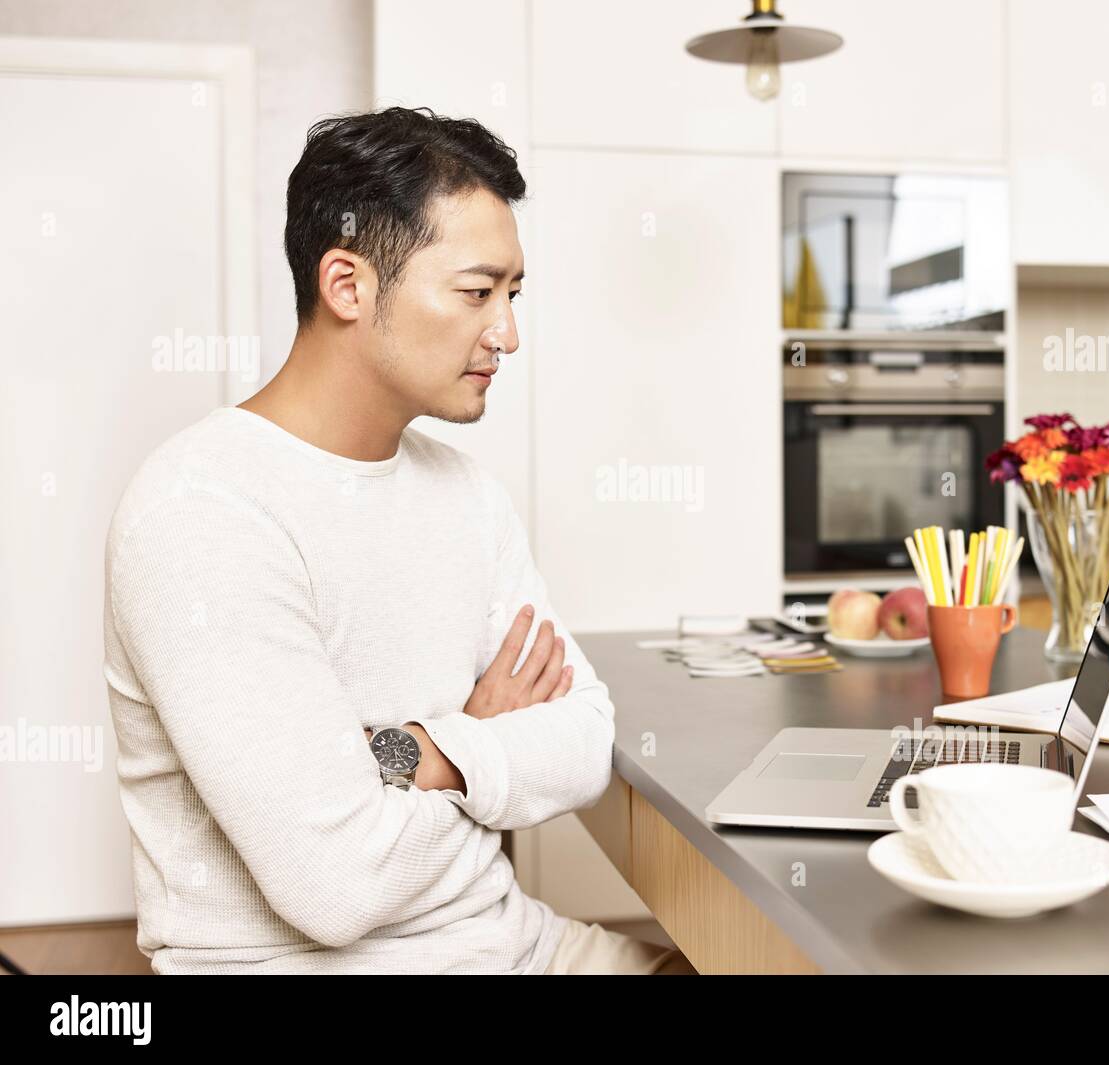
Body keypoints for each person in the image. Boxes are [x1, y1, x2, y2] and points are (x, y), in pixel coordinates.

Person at [103, 106, 693, 975]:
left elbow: (581, 738)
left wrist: (421, 749)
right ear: (348, 285)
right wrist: (485, 748)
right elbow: (337, 885)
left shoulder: (468, 494)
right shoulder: (202, 511)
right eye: (476, 291)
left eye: (513, 295)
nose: (508, 333)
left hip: (513, 943)